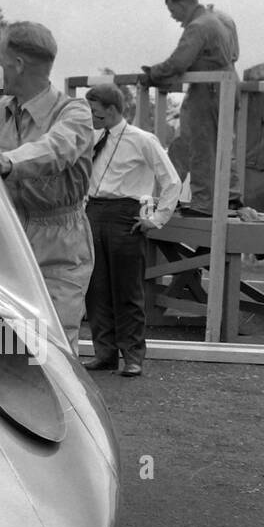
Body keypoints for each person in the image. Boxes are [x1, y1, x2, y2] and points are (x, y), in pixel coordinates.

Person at [0, 22, 95, 349]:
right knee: (4, 344)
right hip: (7, 233)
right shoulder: (0, 112)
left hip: (58, 241)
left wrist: (10, 160)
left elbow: (58, 148)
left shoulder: (75, 112)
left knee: (54, 345)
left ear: (18, 65)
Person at [83, 83, 182, 377]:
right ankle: (105, 352)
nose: (92, 119)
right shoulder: (93, 138)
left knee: (127, 289)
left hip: (125, 213)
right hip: (93, 211)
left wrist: (156, 218)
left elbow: (171, 181)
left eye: (96, 114)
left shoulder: (142, 140)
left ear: (112, 110)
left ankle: (133, 355)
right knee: (96, 289)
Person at [140, 0, 239, 216]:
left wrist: (153, 74)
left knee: (201, 147)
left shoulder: (198, 27)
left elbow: (179, 61)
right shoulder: (213, 22)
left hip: (209, 92)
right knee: (208, 145)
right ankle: (227, 197)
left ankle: (203, 204)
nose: (173, 17)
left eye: (172, 10)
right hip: (217, 90)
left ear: (182, 4)